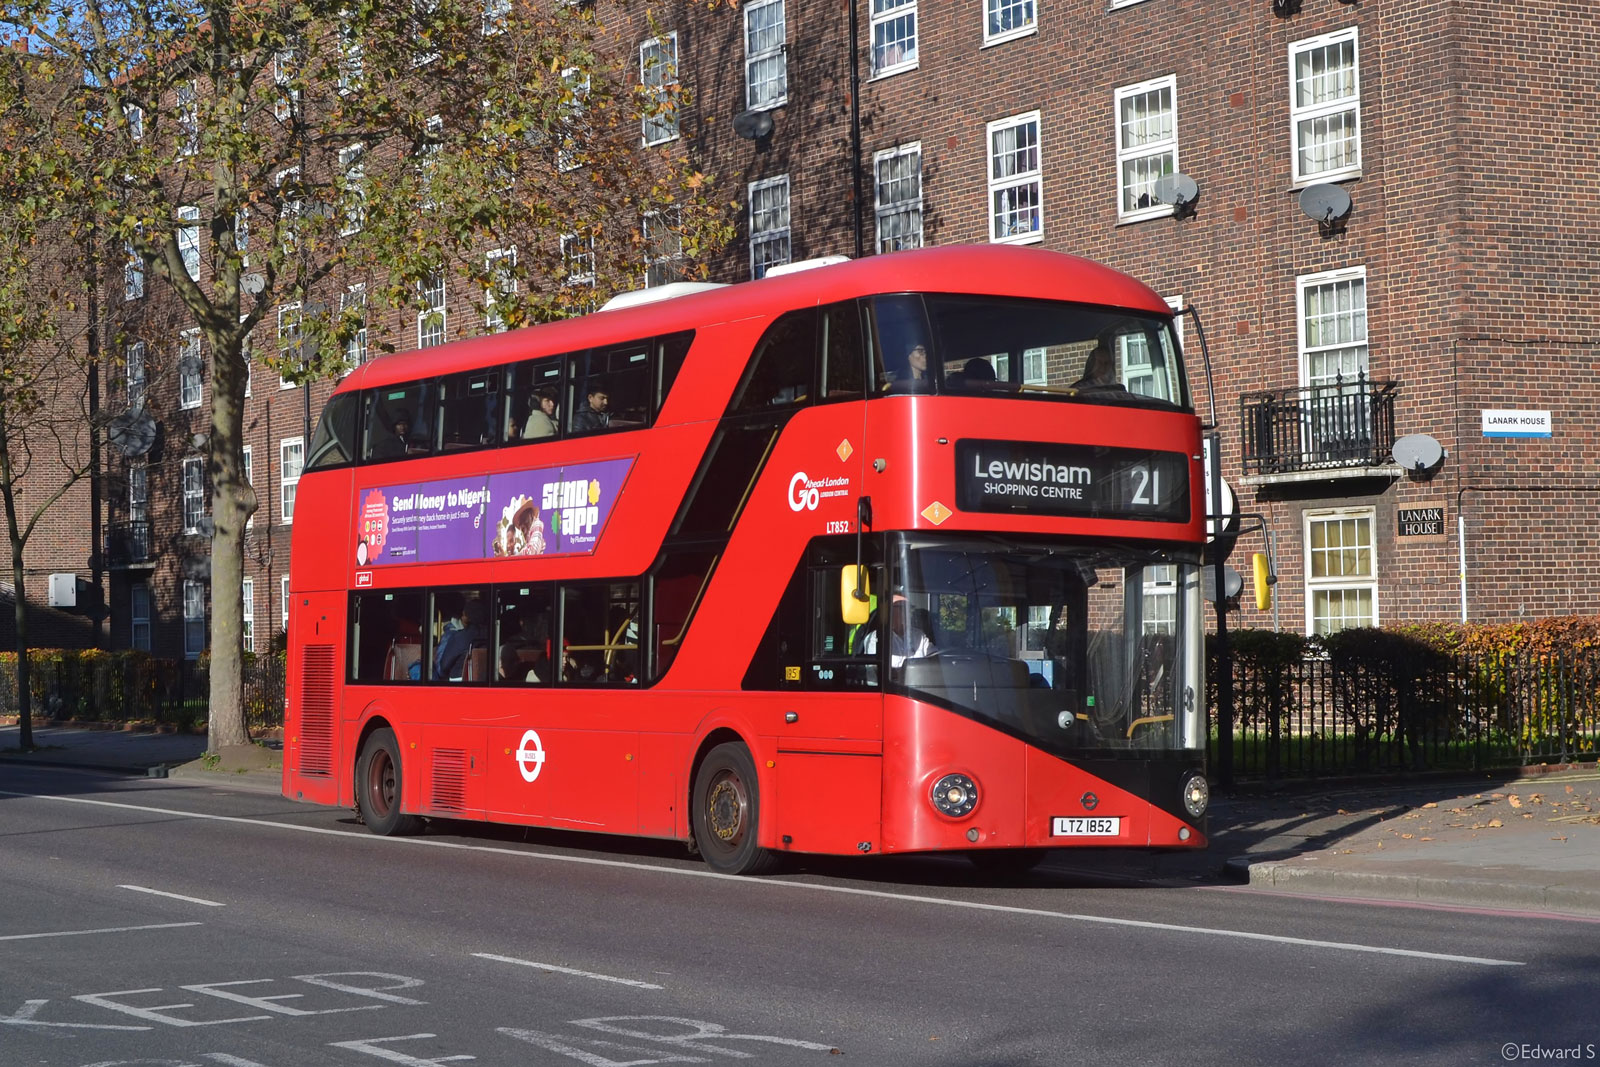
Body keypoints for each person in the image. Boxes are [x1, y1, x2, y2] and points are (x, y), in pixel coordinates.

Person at [861, 593, 935, 668]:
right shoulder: (875, 638)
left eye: (908, 607)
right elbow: (876, 670)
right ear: (888, 611)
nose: (906, 612)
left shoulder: (919, 635)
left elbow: (934, 657)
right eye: (901, 607)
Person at [434, 598, 488, 681]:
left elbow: (443, 667)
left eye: (463, 614)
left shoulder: (460, 637)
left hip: (458, 682)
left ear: (467, 617)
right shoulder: (492, 635)